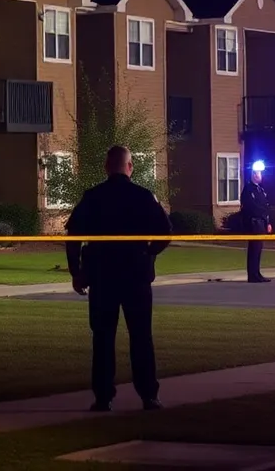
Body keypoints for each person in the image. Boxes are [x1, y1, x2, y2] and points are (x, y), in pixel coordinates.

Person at [64, 145, 174, 412]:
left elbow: (73, 237)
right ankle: (149, 395)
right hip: (135, 275)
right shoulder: (144, 196)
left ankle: (103, 397)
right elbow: (165, 232)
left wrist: (76, 272)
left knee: (102, 338)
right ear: (130, 167)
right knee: (141, 337)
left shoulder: (92, 197)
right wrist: (148, 253)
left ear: (106, 166)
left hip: (101, 276)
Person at [239, 159, 274, 282]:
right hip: (253, 223)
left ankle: (257, 273)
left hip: (261, 223)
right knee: (254, 249)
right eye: (258, 174)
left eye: (261, 173)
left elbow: (265, 207)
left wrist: (268, 222)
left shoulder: (261, 190)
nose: (260, 176)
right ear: (254, 174)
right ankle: (252, 275)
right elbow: (251, 207)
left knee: (258, 249)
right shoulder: (248, 190)